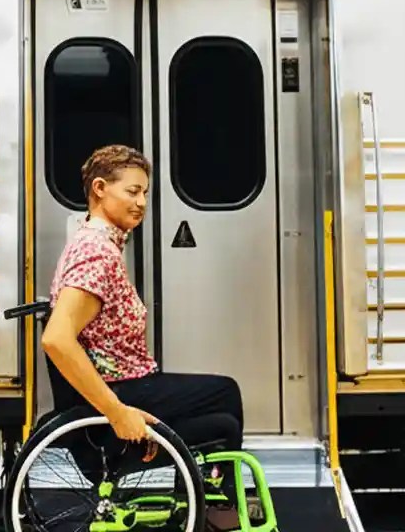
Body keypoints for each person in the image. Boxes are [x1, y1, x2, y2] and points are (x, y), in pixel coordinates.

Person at [41, 144, 251, 527]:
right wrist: (116, 412)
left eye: (145, 194)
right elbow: (56, 339)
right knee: (224, 396)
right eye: (132, 191)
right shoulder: (95, 253)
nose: (141, 202)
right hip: (117, 393)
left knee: (223, 417)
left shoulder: (100, 244)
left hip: (126, 381)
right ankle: (216, 511)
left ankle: (204, 507)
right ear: (100, 189)